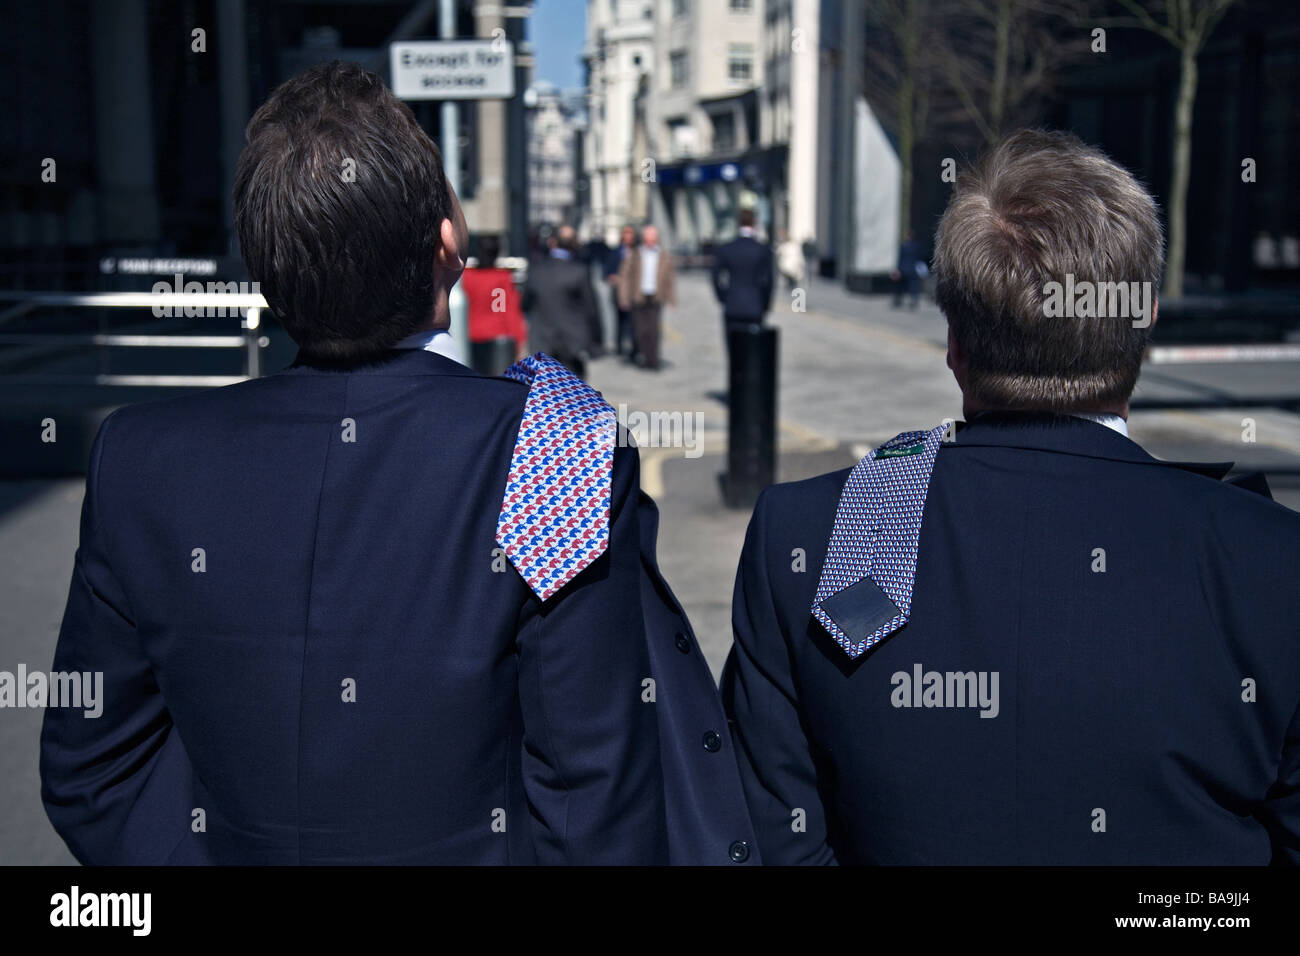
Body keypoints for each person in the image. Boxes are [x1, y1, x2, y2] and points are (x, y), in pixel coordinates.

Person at [40, 61, 757, 866]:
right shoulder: (553, 445)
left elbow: (93, 768)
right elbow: (594, 787)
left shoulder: (142, 458)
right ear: (448, 245)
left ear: (266, 269)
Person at [722, 128, 1300, 865]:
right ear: (1145, 320)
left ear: (956, 344)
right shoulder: (1271, 560)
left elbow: (775, 839)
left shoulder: (807, 534)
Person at [521, 223, 601, 378]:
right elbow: (591, 310)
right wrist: (596, 343)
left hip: (543, 341)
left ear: (552, 242)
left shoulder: (536, 271)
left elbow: (525, 304)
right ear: (575, 244)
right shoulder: (579, 272)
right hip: (572, 343)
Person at [712, 209, 775, 355]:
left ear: (738, 223)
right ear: (754, 223)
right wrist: (764, 304)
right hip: (755, 306)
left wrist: (723, 297)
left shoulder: (727, 248)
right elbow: (769, 281)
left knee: (734, 352)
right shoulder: (762, 249)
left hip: (733, 306)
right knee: (753, 352)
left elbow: (715, 276)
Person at [461, 234, 527, 365]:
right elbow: (510, 312)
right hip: (497, 337)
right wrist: (519, 341)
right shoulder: (502, 278)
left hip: (470, 336)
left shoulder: (467, 277)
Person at [617, 224, 675, 370]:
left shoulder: (664, 255)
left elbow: (669, 278)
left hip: (655, 296)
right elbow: (625, 276)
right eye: (648, 238)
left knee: (654, 329)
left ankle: (652, 360)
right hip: (639, 295)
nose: (650, 241)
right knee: (639, 330)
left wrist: (671, 298)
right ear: (643, 239)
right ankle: (642, 354)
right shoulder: (635, 254)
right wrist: (624, 297)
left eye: (653, 238)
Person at [607, 225, 638, 359]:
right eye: (626, 234)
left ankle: (633, 347)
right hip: (618, 291)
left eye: (630, 234)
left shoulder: (637, 252)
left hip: (633, 291)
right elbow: (608, 270)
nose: (628, 237)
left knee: (633, 321)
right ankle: (619, 347)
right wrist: (613, 277)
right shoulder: (615, 252)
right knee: (620, 320)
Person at [891, 230, 923, 308]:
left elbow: (901, 259)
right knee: (904, 285)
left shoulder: (906, 246)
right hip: (907, 269)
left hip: (908, 269)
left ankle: (911, 300)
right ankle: (900, 299)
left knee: (910, 286)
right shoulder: (913, 246)